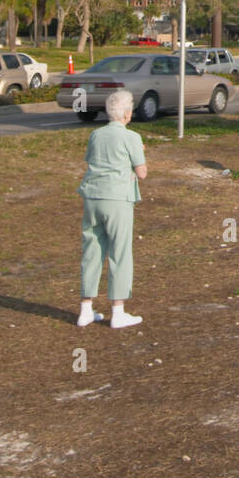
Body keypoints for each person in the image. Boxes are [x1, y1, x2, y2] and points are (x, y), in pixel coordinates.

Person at [76, 88, 147, 328]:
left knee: (92, 249)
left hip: (92, 195)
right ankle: (118, 311)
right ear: (127, 114)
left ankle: (86, 308)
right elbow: (142, 173)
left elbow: (91, 159)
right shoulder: (132, 137)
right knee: (120, 251)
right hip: (117, 198)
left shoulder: (96, 134)